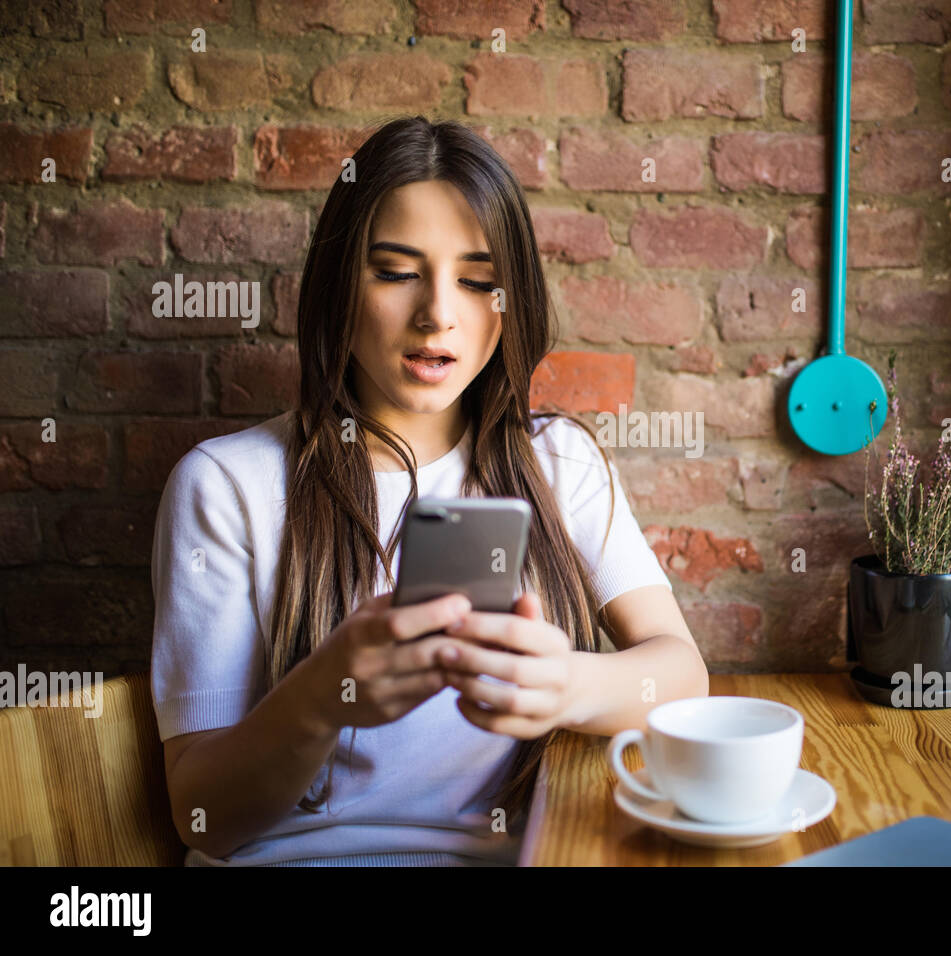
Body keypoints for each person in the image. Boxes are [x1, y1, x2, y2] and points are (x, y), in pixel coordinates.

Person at [149, 116, 710, 866]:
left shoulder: (560, 462)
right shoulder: (227, 485)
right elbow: (203, 815)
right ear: (339, 283)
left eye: (478, 281)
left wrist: (569, 685)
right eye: (395, 271)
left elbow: (683, 674)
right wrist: (323, 694)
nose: (438, 313)